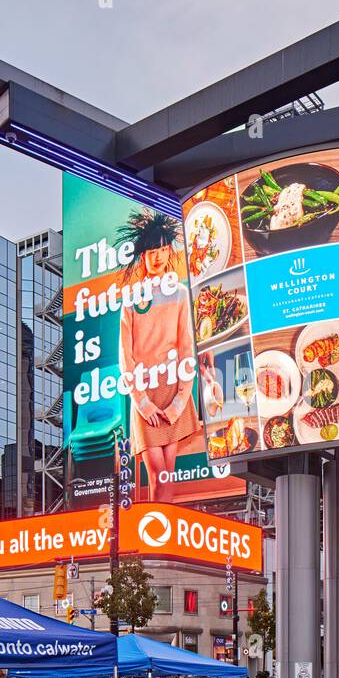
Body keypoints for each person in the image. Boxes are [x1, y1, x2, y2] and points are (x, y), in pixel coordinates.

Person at [117, 210, 201, 501]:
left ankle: (163, 539)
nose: (157, 256)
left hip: (173, 389)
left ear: (169, 253)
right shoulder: (130, 299)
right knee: (156, 475)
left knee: (167, 475)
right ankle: (159, 540)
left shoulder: (179, 293)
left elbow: (187, 347)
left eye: (162, 250)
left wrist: (178, 403)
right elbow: (125, 356)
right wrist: (142, 403)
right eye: (152, 251)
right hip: (144, 394)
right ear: (143, 255)